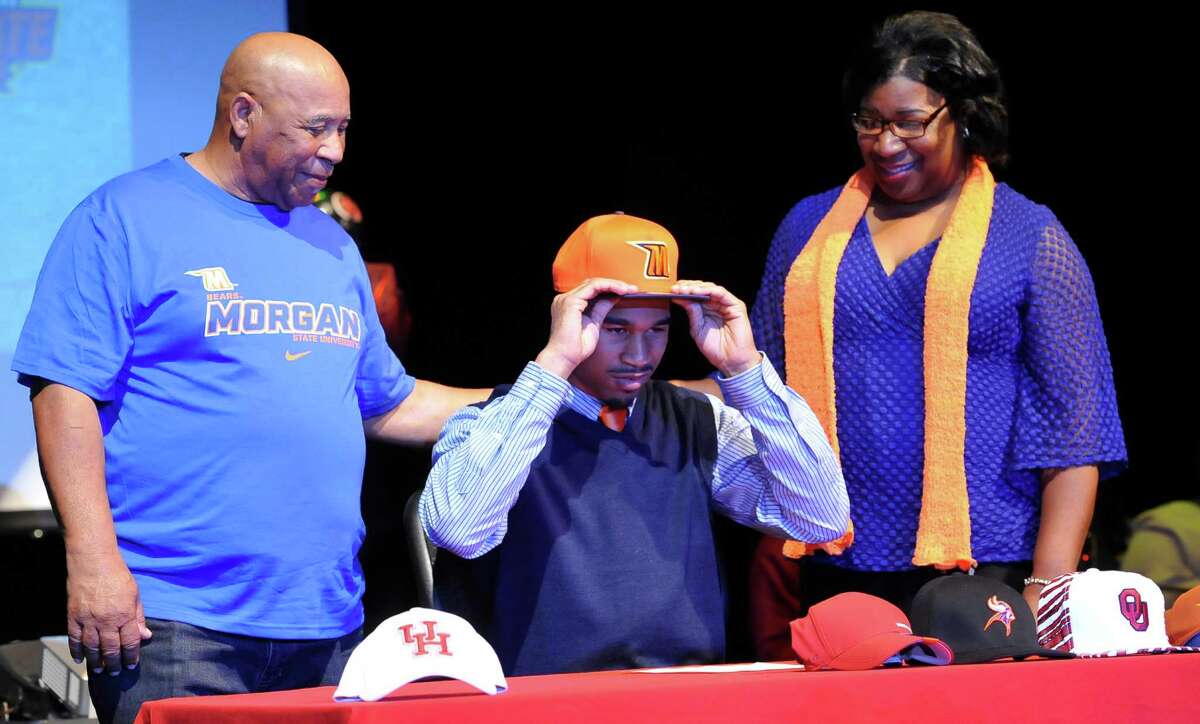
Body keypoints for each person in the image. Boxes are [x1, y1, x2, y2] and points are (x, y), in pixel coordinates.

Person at [11, 32, 485, 724]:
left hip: (323, 623)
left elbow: (390, 403)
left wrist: (538, 397)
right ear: (242, 115)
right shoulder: (123, 219)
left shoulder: (331, 245)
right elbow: (63, 391)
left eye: (344, 129)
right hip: (173, 624)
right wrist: (93, 564)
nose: (335, 151)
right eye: (315, 128)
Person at [732, 11, 1127, 658]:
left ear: (965, 114)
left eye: (910, 122)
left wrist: (1046, 596)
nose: (887, 143)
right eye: (869, 121)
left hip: (984, 572)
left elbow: (1074, 431)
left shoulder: (1027, 236)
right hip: (837, 563)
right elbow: (764, 395)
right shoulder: (807, 234)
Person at [420, 213, 849, 675]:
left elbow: (819, 519)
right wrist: (554, 364)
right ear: (568, 316)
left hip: (685, 697)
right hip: (549, 703)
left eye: (657, 330)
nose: (639, 356)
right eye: (617, 330)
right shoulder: (490, 425)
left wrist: (746, 373)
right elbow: (459, 532)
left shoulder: (697, 422)